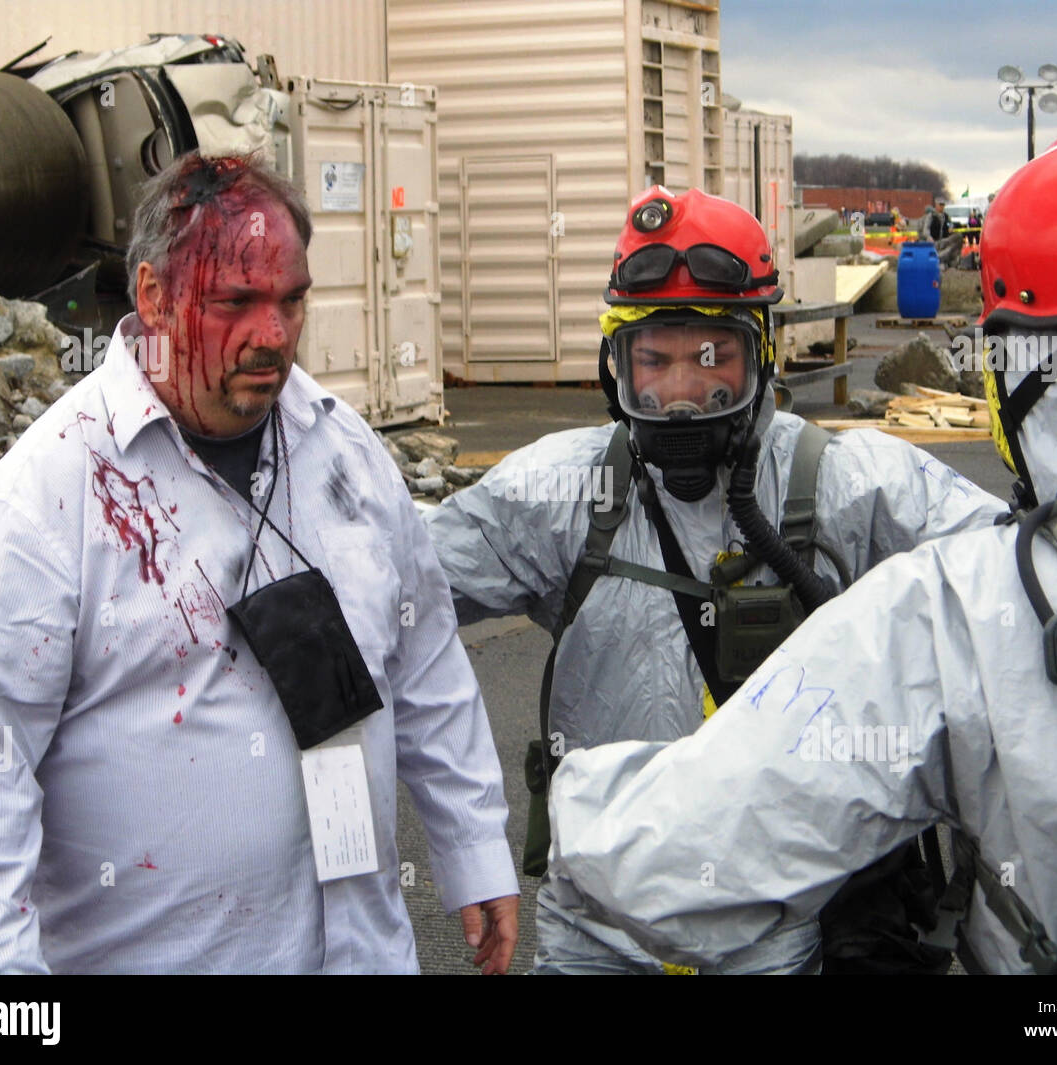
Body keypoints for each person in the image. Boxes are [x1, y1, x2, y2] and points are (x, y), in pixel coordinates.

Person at [547, 107, 1057, 975]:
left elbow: (671, 857)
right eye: (654, 357)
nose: (681, 390)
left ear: (1018, 365)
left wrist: (566, 798)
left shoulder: (967, 605)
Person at [0, 152, 520, 974]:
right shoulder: (47, 499)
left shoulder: (346, 454)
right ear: (153, 297)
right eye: (236, 301)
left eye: (292, 299)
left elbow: (426, 668)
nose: (273, 335)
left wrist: (473, 848)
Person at [424, 185, 1006, 973]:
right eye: (652, 361)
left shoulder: (850, 485)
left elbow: (1019, 588)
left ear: (761, 349)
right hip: (599, 935)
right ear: (617, 365)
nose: (682, 391)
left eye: (712, 358)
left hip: (779, 937)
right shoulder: (563, 494)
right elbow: (393, 594)